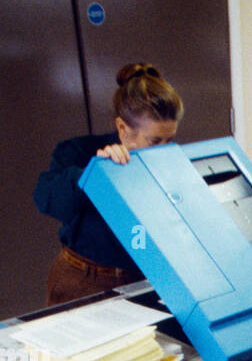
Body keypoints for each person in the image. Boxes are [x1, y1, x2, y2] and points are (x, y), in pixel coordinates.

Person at [34, 62, 183, 305]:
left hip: (142, 281)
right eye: (154, 141)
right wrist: (98, 171)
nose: (163, 150)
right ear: (123, 128)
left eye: (170, 140)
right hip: (83, 282)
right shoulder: (78, 152)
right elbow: (46, 200)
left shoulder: (167, 161)